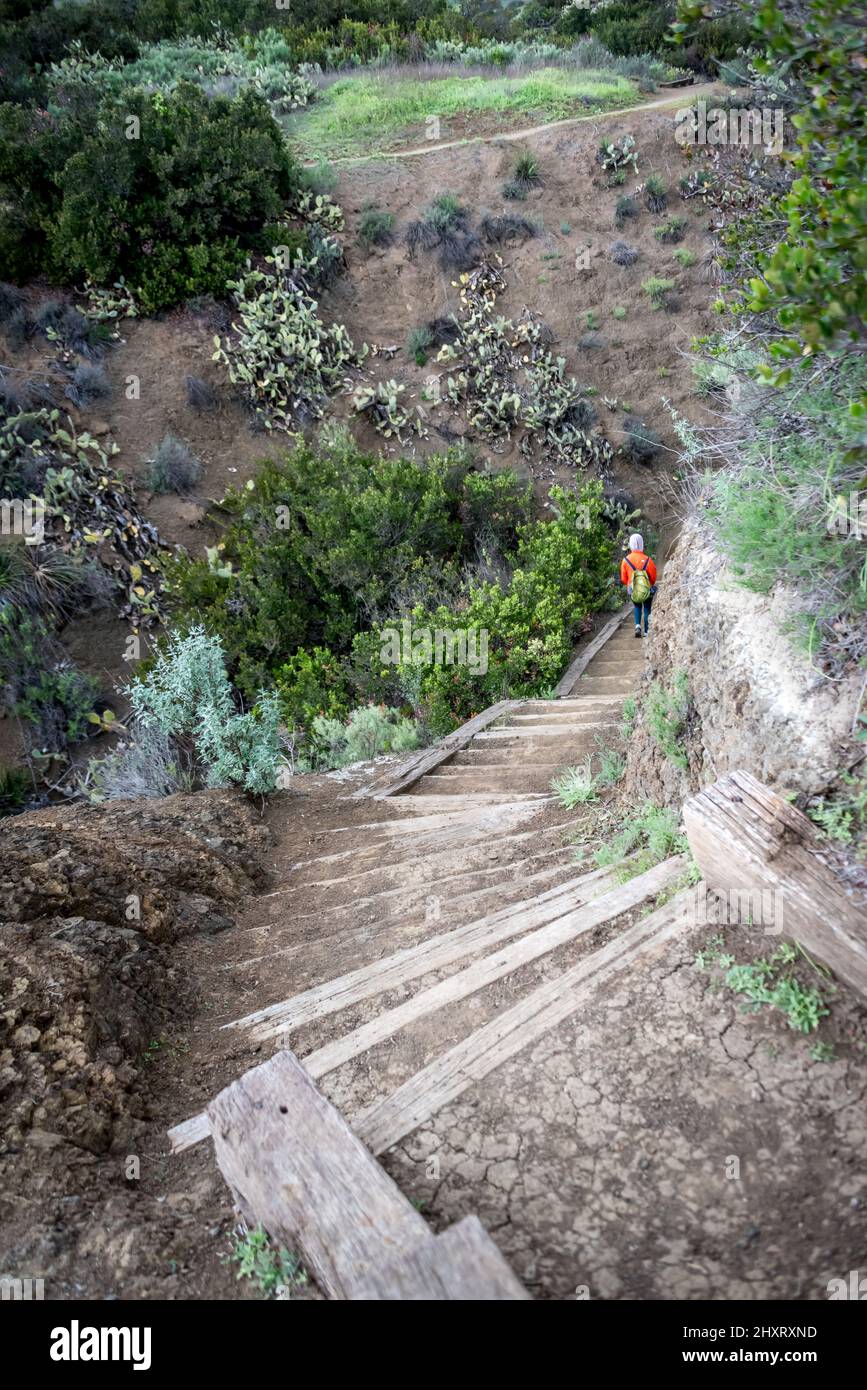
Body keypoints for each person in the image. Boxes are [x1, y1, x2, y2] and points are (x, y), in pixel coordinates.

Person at [620, 532, 657, 637]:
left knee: (637, 605)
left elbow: (623, 578)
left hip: (632, 589)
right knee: (646, 608)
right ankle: (646, 631)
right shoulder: (648, 560)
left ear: (631, 544)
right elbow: (653, 577)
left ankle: (637, 625)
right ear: (641, 543)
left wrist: (629, 583)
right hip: (646, 588)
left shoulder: (626, 560)